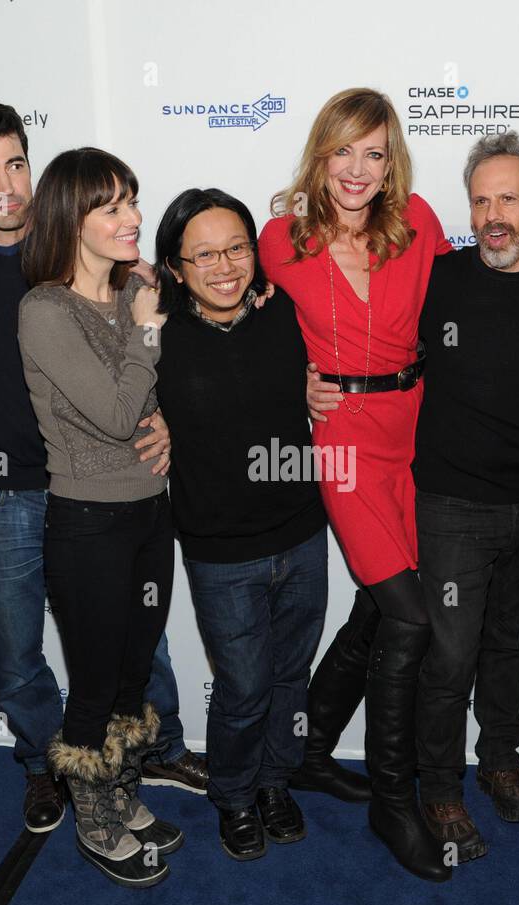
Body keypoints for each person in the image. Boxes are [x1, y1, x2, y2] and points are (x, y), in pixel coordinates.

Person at [0, 99, 204, 838]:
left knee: (134, 648)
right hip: (3, 489)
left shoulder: (117, 270)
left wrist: (167, 422)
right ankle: (48, 771)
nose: (5, 184)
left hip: (111, 486)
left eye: (15, 163)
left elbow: (164, 362)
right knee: (21, 652)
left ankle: (149, 756)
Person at [258, 87, 454, 882]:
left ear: (392, 162)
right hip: (340, 439)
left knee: (380, 601)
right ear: (321, 153)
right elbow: (244, 332)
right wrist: (296, 383)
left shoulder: (422, 226)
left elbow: (464, 320)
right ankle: (393, 800)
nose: (359, 169)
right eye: (345, 151)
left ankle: (307, 747)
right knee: (410, 620)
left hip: (417, 430)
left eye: (375, 153)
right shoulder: (278, 240)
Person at [18, 147, 180, 888]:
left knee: (133, 670)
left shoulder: (129, 294)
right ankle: (93, 811)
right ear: (70, 218)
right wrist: (146, 327)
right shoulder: (44, 309)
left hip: (151, 514)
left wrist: (169, 422)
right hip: (88, 523)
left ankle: (123, 787)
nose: (134, 218)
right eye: (111, 206)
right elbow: (117, 413)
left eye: (133, 201)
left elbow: (149, 403)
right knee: (92, 680)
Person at [409, 132, 519, 859]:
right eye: (481, 200)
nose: (494, 215)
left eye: (509, 198)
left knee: (507, 646)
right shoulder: (437, 279)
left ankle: (499, 761)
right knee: (449, 656)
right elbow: (367, 342)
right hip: (452, 507)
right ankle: (439, 788)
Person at [153, 188, 328, 861]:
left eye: (236, 248)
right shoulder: (154, 337)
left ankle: (276, 782)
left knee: (291, 676)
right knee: (243, 686)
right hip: (220, 549)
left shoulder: (284, 312)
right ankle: (232, 794)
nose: (225, 266)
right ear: (175, 267)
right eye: (203, 255)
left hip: (302, 532)